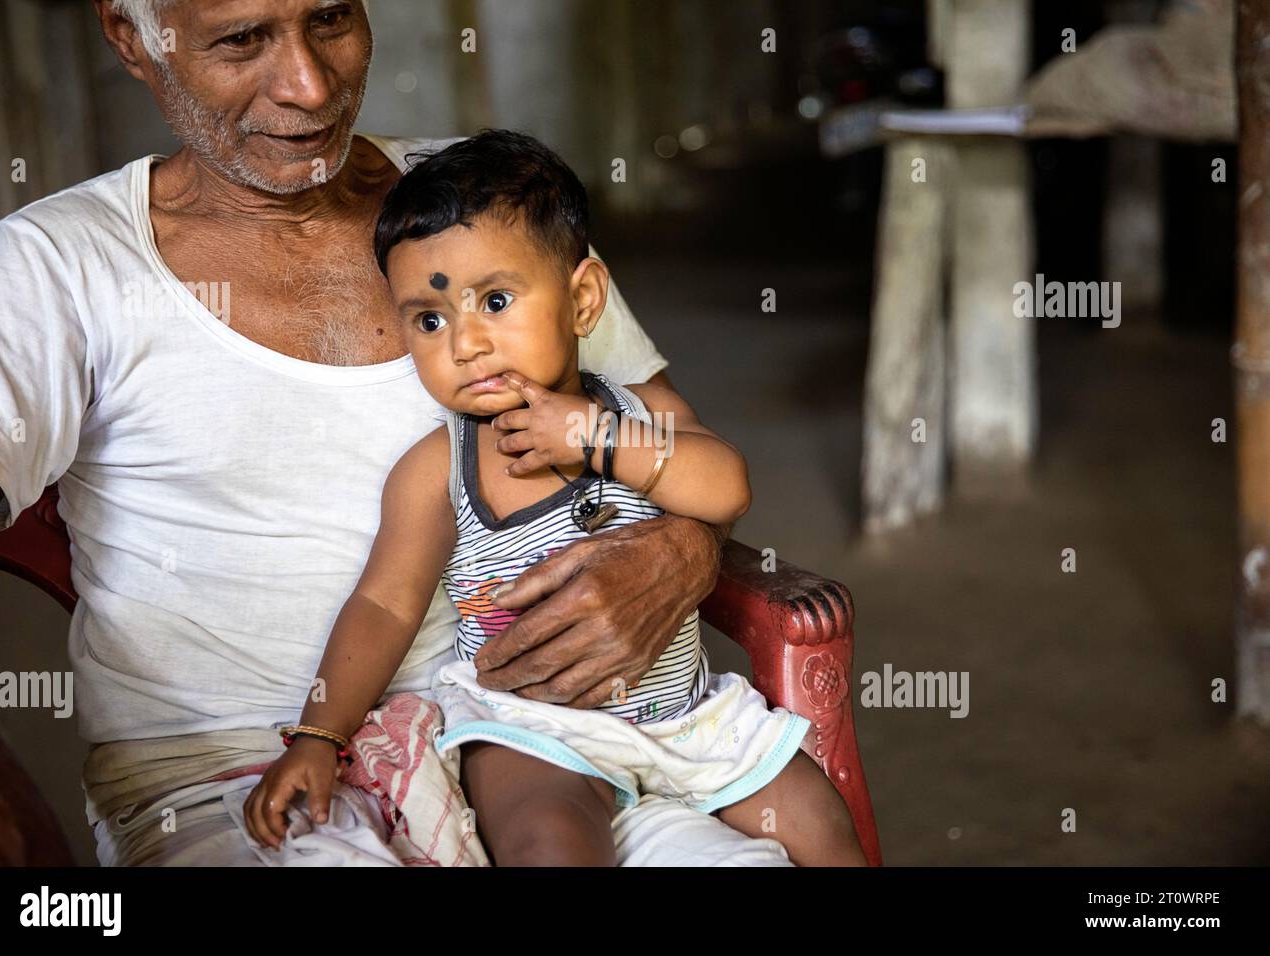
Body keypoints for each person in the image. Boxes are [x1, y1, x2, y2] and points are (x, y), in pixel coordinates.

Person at [0, 0, 837, 864]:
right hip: (248, 779)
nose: (310, 86)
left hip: (565, 735)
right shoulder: (63, 264)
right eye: (242, 40)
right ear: (133, 37)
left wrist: (677, 551)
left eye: (333, 19)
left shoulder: (475, 205)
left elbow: (674, 438)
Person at [240, 130, 868, 866]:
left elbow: (727, 484)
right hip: (533, 729)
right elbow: (384, 603)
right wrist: (320, 735)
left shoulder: (633, 415)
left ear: (582, 299)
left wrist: (595, 436)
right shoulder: (439, 467)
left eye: (496, 300)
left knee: (819, 823)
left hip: (686, 720)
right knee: (550, 841)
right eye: (430, 320)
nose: (465, 344)